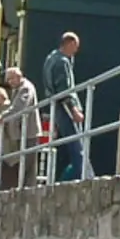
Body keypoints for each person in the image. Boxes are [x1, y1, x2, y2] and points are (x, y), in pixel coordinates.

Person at [43, 32, 84, 181]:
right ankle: (83, 176)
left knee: (72, 144)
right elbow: (64, 88)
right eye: (76, 46)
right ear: (70, 44)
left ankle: (76, 175)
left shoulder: (50, 58)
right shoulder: (62, 62)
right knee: (77, 145)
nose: (76, 50)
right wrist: (74, 110)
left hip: (55, 106)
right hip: (64, 107)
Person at [0, 66, 38, 189]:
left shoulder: (26, 88)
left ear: (18, 76)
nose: (9, 83)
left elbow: (18, 108)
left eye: (11, 79)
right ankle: (24, 189)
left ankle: (27, 190)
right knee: (23, 164)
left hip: (28, 133)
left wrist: (1, 117)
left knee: (27, 165)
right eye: (8, 80)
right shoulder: (18, 89)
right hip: (22, 133)